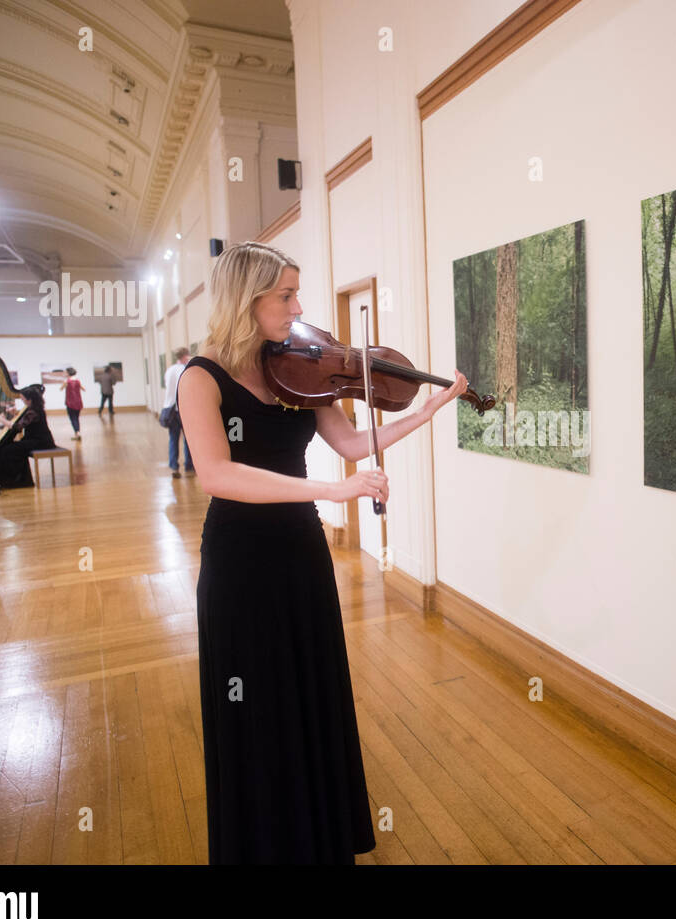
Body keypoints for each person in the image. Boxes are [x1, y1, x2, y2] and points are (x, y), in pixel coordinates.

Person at [176, 240, 466, 863]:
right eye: (284, 295)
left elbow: (357, 444)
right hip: (241, 564)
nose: (297, 305)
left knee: (308, 690)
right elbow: (219, 476)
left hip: (301, 555)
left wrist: (431, 407)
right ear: (245, 298)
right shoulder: (201, 378)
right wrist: (331, 490)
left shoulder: (298, 368)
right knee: (253, 701)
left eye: (295, 292)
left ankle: (318, 835)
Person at [0, 384, 57, 489]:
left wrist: (1, 420)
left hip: (41, 442)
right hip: (34, 440)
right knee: (9, 448)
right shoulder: (33, 408)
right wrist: (14, 414)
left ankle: (13, 482)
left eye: (23, 399)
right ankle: (21, 480)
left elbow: (17, 427)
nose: (22, 401)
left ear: (30, 399)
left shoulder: (34, 411)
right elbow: (22, 422)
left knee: (8, 450)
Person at [161, 347, 195, 477]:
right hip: (184, 409)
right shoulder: (185, 369)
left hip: (170, 410)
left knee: (173, 439)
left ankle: (174, 466)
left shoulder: (169, 370)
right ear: (185, 356)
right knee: (189, 439)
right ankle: (189, 465)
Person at [60, 367, 83, 440]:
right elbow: (83, 389)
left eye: (66, 372)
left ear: (68, 373)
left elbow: (61, 389)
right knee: (76, 418)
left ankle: (77, 433)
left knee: (73, 418)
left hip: (70, 403)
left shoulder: (67, 381)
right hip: (78, 402)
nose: (65, 373)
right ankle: (77, 433)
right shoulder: (78, 381)